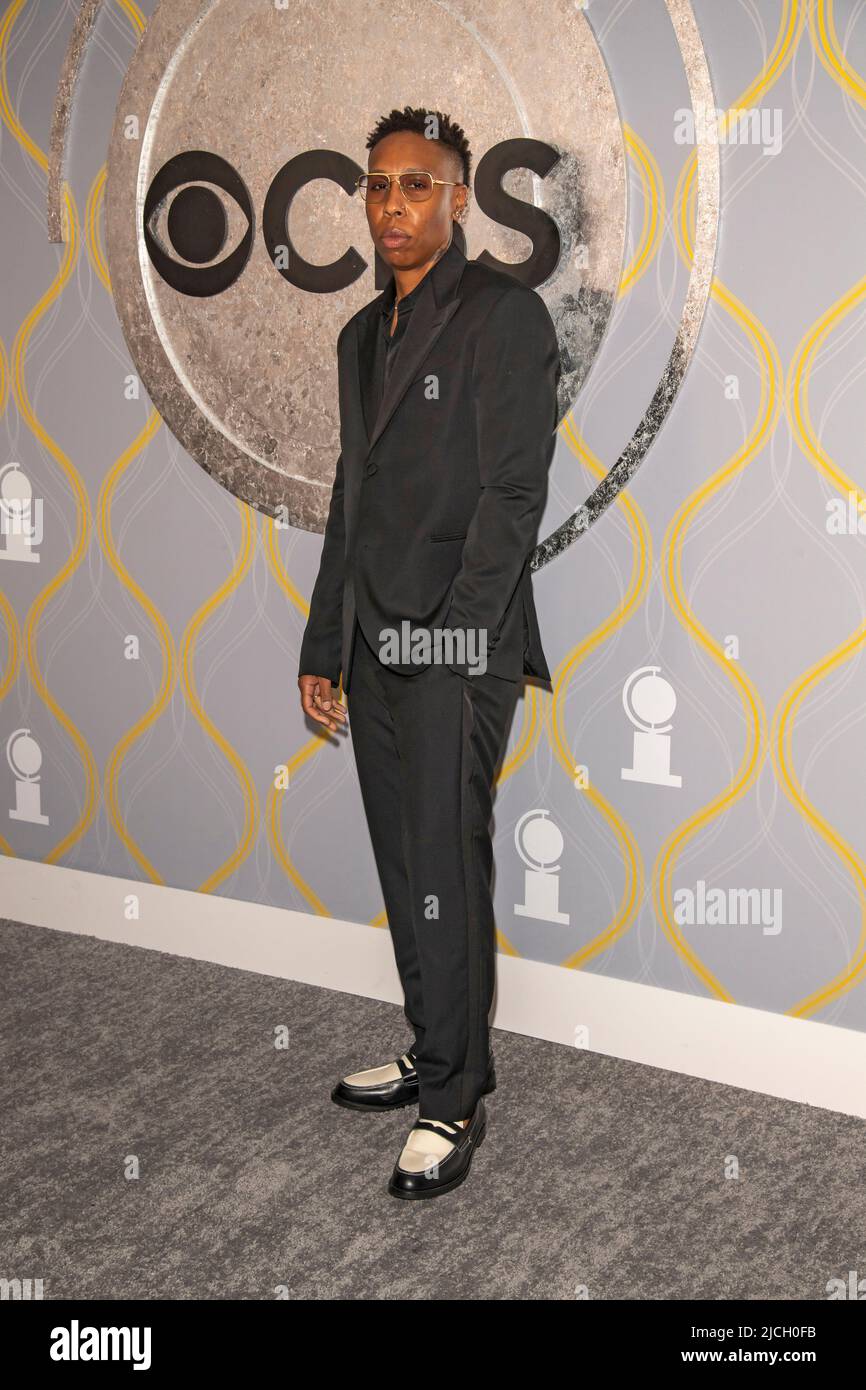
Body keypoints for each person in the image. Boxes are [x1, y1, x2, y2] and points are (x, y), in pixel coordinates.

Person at [297, 106, 560, 1200]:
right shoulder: (361, 337)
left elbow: (512, 494)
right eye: (375, 187)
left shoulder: (503, 317)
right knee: (406, 866)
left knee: (446, 865)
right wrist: (326, 641)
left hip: (459, 643)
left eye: (415, 185)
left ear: (457, 196)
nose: (391, 205)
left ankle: (454, 1099)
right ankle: (433, 1042)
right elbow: (350, 503)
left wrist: (452, 635)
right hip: (372, 640)